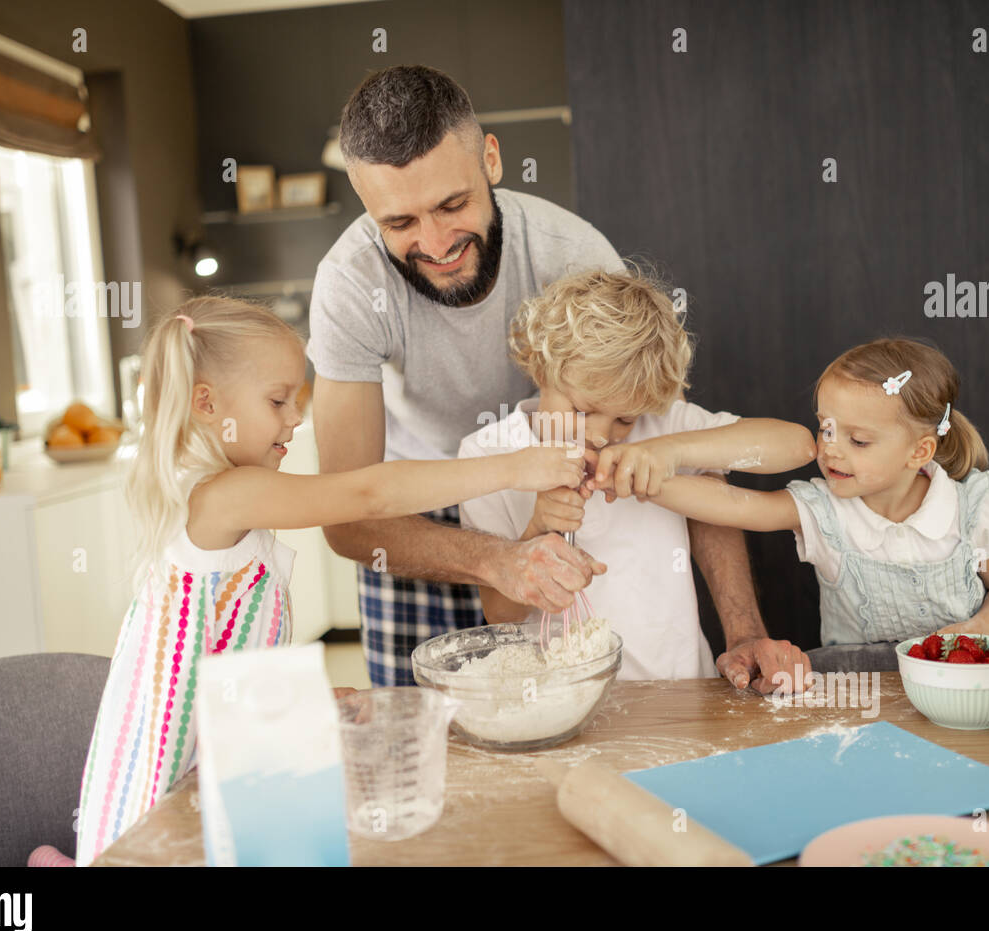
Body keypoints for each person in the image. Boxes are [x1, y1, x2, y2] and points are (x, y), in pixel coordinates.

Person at [309, 65, 780, 687]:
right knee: (431, 744)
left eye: (453, 204)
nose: (436, 242)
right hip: (406, 511)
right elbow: (348, 515)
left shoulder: (575, 256)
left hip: (552, 499)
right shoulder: (348, 286)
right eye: (399, 223)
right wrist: (499, 559)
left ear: (493, 161)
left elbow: (689, 457)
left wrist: (745, 632)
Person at [75, 296, 586, 865]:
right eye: (277, 401)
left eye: (297, 400)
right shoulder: (223, 496)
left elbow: (215, 660)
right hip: (155, 800)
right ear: (205, 403)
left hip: (212, 770)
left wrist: (299, 701)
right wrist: (517, 467)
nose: (295, 419)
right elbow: (371, 493)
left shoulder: (224, 498)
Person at [458, 267, 817, 682]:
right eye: (581, 410)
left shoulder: (663, 426)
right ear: (542, 369)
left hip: (679, 690)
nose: (598, 435)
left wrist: (669, 450)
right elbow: (499, 613)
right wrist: (538, 527)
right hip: (557, 700)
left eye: (624, 419)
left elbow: (796, 446)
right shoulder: (486, 455)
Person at [595, 337, 989, 648]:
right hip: (861, 688)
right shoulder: (825, 507)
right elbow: (735, 506)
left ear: (919, 451)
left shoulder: (968, 509)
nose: (830, 449)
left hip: (968, 677)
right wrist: (646, 481)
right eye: (826, 428)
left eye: (858, 441)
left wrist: (974, 632)